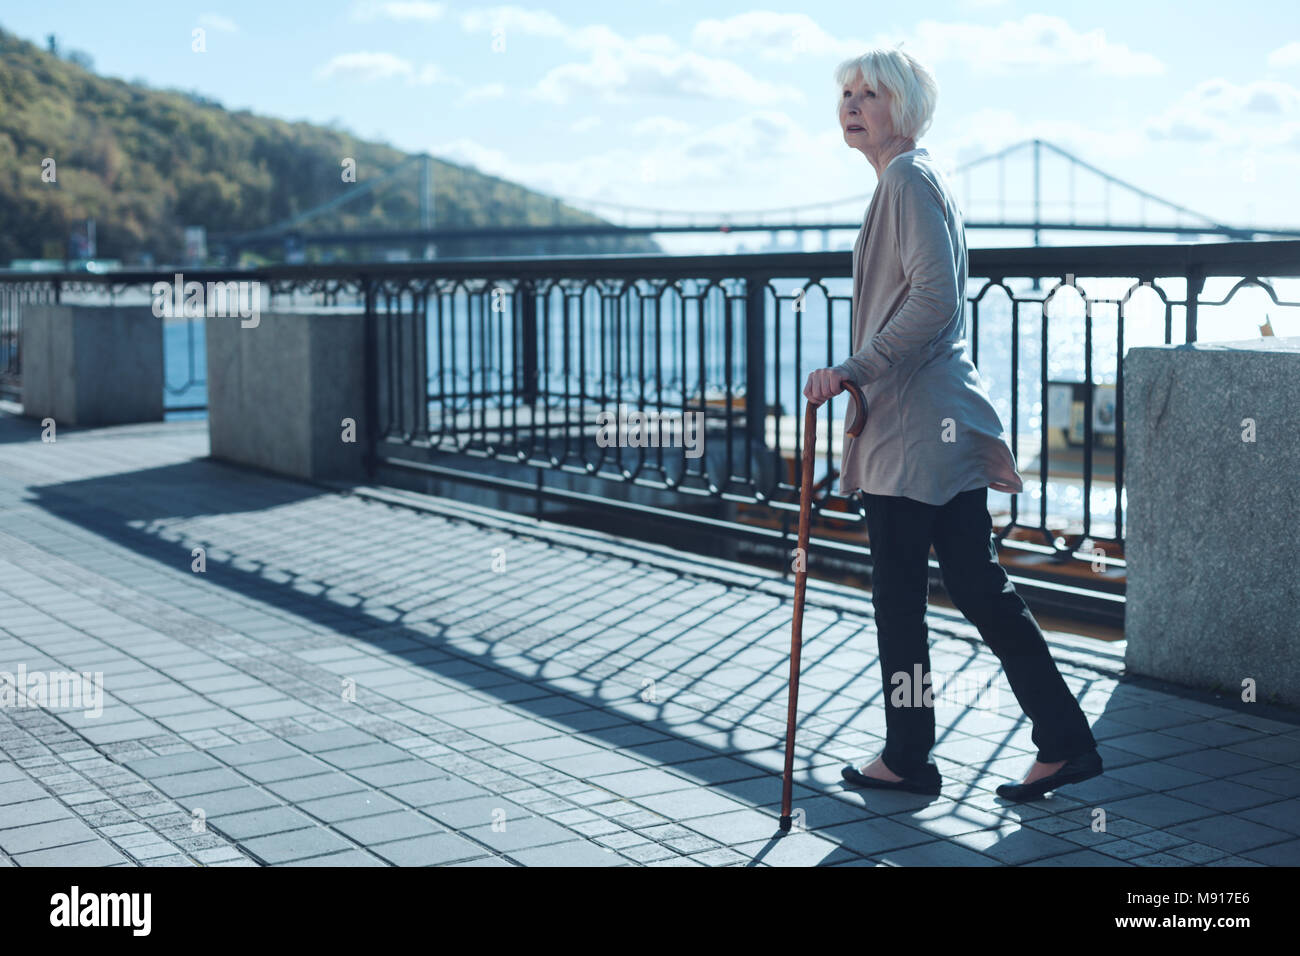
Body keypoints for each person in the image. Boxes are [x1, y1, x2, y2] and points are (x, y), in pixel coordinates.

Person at [803, 46, 1102, 802]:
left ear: (901, 106)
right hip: (932, 422)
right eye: (847, 92)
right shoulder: (913, 179)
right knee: (976, 585)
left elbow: (934, 300)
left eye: (870, 92)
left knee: (904, 600)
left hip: (913, 429)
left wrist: (855, 368)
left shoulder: (904, 179)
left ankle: (911, 756)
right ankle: (1059, 741)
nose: (853, 103)